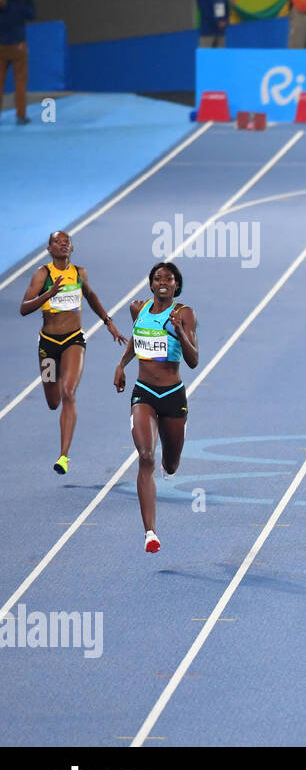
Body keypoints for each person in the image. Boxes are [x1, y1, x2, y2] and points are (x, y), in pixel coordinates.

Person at [19, 231, 127, 474]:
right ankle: (54, 388)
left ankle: (63, 457)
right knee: (53, 402)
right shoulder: (42, 275)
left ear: (72, 247)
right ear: (49, 249)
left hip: (73, 339)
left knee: (68, 392)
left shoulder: (79, 273)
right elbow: (24, 308)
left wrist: (107, 322)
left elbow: (90, 295)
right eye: (57, 241)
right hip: (48, 344)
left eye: (66, 241)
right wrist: (49, 294)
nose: (63, 244)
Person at [113, 263, 198, 553]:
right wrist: (121, 365)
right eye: (158, 278)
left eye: (169, 279)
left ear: (176, 286)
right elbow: (137, 338)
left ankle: (169, 464)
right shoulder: (138, 309)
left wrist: (179, 332)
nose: (163, 282)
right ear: (151, 284)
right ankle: (150, 532)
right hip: (144, 392)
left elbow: (194, 360)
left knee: (170, 464)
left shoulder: (184, 314)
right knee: (146, 457)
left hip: (173, 395)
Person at [0, 0, 36, 125]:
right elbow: (31, 15)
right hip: (18, 43)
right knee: (20, 81)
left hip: (1, 44)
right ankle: (21, 115)